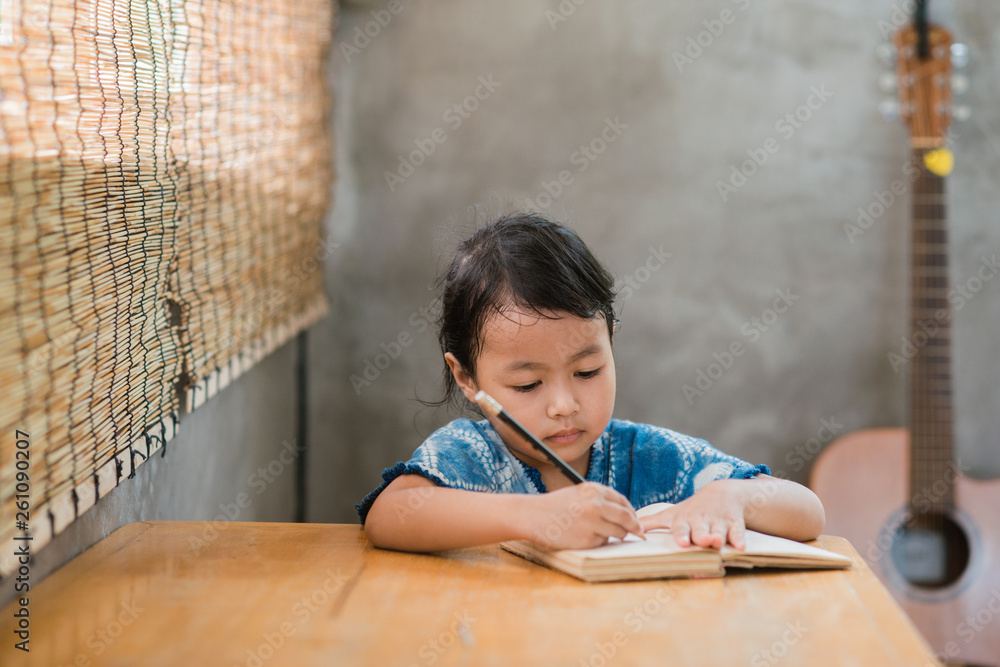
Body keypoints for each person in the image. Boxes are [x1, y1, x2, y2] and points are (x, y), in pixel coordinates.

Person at [357, 212, 825, 552]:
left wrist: (733, 497)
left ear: (611, 343)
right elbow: (388, 517)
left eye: (586, 372)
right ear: (466, 377)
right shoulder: (470, 455)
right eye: (527, 385)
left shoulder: (652, 459)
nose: (564, 405)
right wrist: (535, 518)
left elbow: (808, 512)